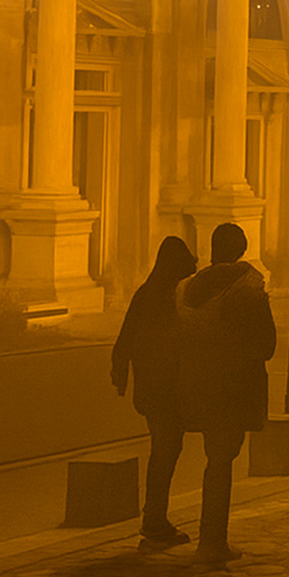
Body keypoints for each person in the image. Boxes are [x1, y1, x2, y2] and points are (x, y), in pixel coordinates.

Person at [176, 223, 276, 566]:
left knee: (214, 458)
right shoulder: (248, 290)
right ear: (241, 250)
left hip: (198, 383)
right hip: (234, 386)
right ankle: (212, 542)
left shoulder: (187, 288)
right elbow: (267, 345)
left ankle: (212, 539)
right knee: (221, 461)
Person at [110, 236, 198, 550]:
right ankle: (154, 520)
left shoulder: (147, 293)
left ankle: (155, 518)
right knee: (165, 452)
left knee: (165, 451)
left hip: (151, 390)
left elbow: (125, 340)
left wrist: (122, 373)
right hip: (166, 391)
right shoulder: (169, 297)